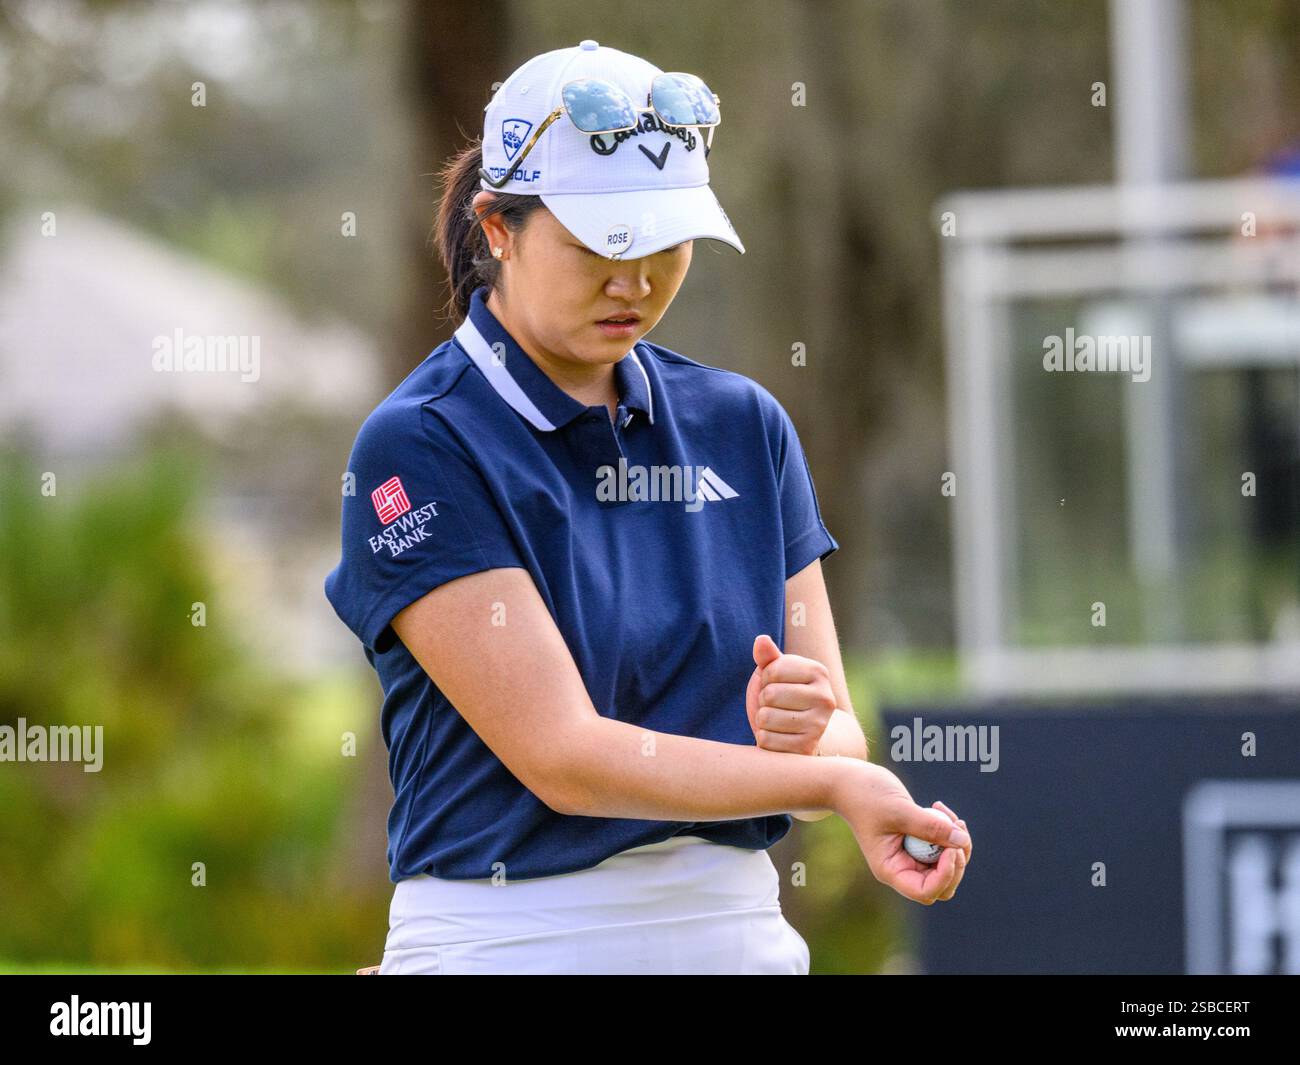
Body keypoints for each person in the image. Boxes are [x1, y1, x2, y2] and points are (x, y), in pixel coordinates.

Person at [324, 40, 970, 976]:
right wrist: (835, 779)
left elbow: (835, 722)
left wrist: (808, 728)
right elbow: (564, 756)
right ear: (497, 227)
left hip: (736, 938)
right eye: (596, 242)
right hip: (513, 944)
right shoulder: (422, 444)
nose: (634, 281)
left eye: (665, 242)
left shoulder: (744, 424)